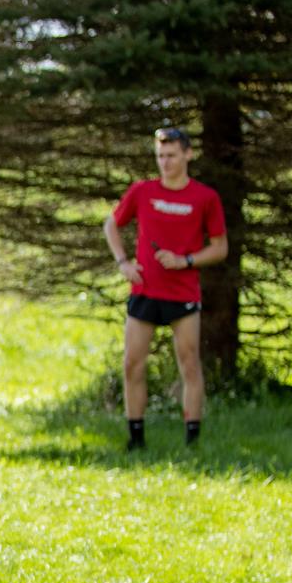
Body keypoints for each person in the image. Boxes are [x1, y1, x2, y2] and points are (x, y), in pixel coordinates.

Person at [100, 126, 227, 450]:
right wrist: (123, 263)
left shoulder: (205, 197)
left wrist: (184, 260)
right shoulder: (142, 191)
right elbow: (112, 223)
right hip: (144, 293)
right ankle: (136, 439)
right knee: (132, 363)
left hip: (183, 295)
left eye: (171, 155)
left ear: (187, 154)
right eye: (160, 156)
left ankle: (192, 441)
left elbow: (219, 248)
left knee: (189, 363)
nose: (165, 162)